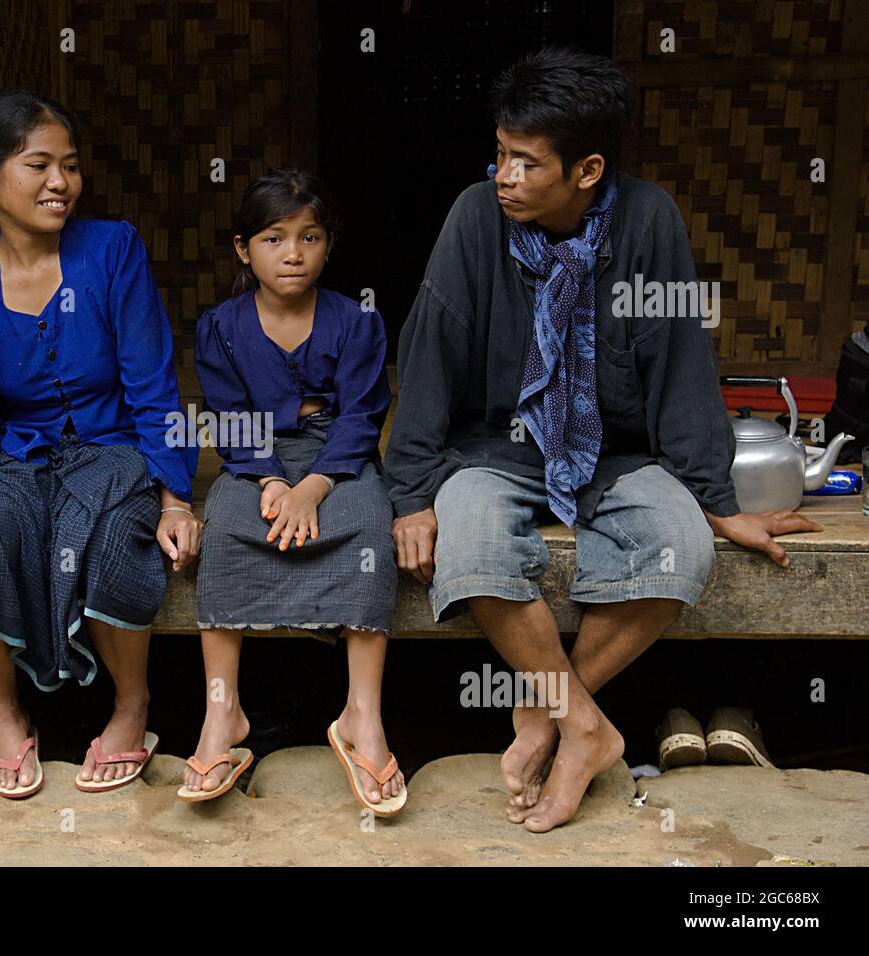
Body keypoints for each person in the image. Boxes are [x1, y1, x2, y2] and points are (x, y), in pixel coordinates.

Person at [384, 48, 821, 832]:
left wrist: (716, 503)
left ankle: (549, 716)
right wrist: (412, 496)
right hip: (497, 450)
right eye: (499, 155)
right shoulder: (473, 217)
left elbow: (681, 359)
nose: (504, 177)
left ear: (587, 170)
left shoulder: (649, 220)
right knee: (473, 544)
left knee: (680, 551)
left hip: (617, 457)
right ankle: (586, 724)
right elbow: (428, 357)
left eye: (525, 162)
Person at [0, 90, 200, 799]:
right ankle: (2, 710)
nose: (61, 183)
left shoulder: (113, 251)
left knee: (113, 535)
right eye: (40, 165)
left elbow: (152, 384)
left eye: (71, 167)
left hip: (113, 451)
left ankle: (131, 705)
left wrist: (176, 496)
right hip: (22, 456)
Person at [180, 170, 404, 814]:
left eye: (309, 237)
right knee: (224, 532)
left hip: (339, 456)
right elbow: (226, 416)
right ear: (242, 249)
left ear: (329, 245)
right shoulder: (221, 326)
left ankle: (363, 714)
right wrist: (274, 478)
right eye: (274, 238)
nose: (293, 252)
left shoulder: (356, 319)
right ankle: (223, 716)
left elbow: (364, 415)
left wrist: (313, 485)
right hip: (258, 459)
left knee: (366, 530)